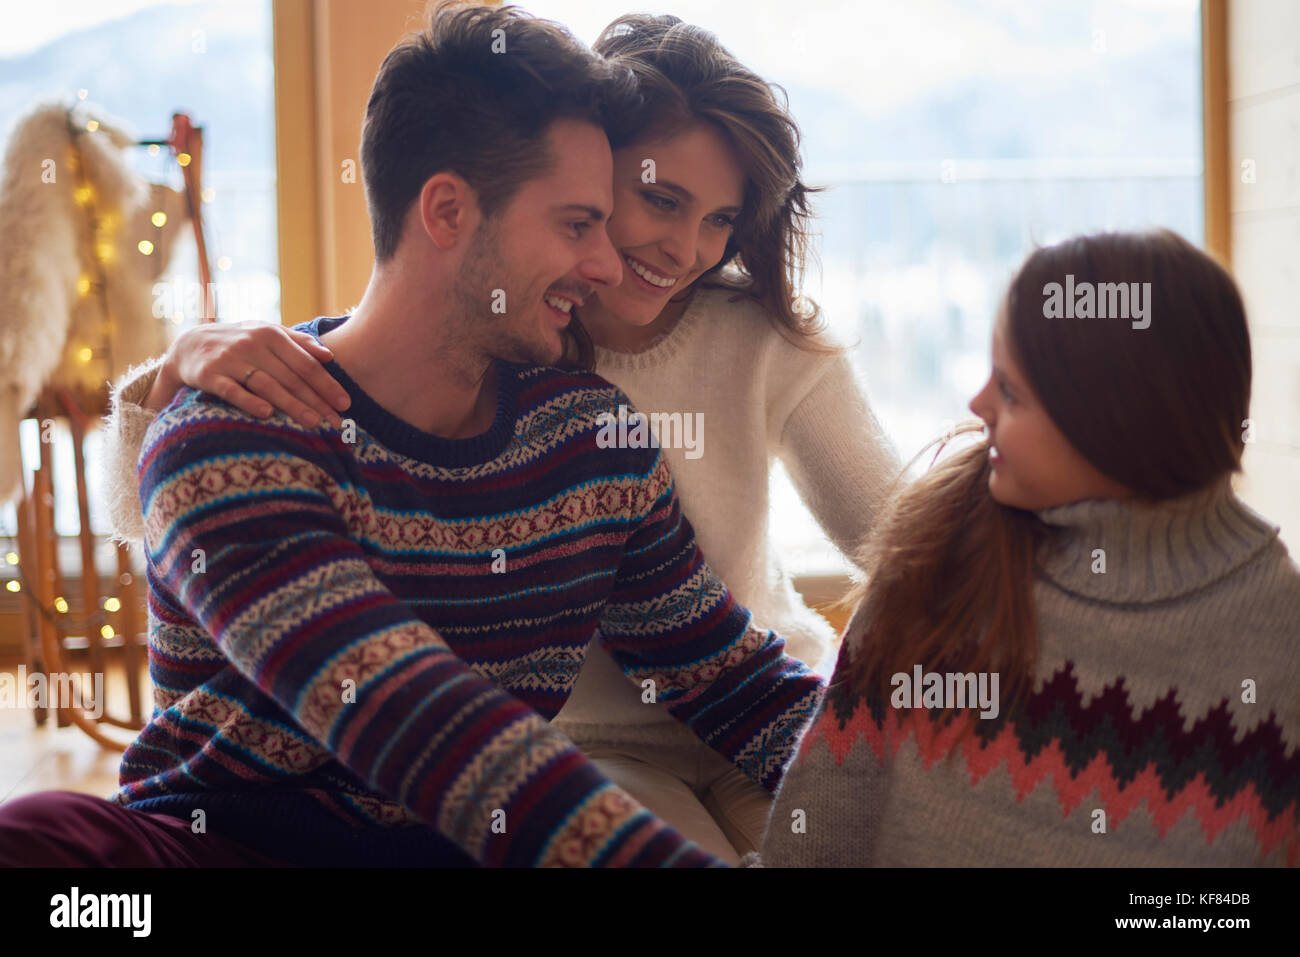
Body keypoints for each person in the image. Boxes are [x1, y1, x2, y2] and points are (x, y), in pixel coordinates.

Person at [0, 1, 827, 868]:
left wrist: (940, 776)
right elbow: (408, 714)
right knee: (38, 838)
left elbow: (733, 682)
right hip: (226, 853)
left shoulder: (594, 443)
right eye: (578, 224)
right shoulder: (231, 431)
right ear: (446, 211)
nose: (609, 265)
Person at [760, 230, 1300, 867]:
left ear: (1116, 420)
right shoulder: (938, 554)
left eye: (1012, 392)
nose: (978, 403)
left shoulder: (1276, 632)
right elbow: (816, 836)